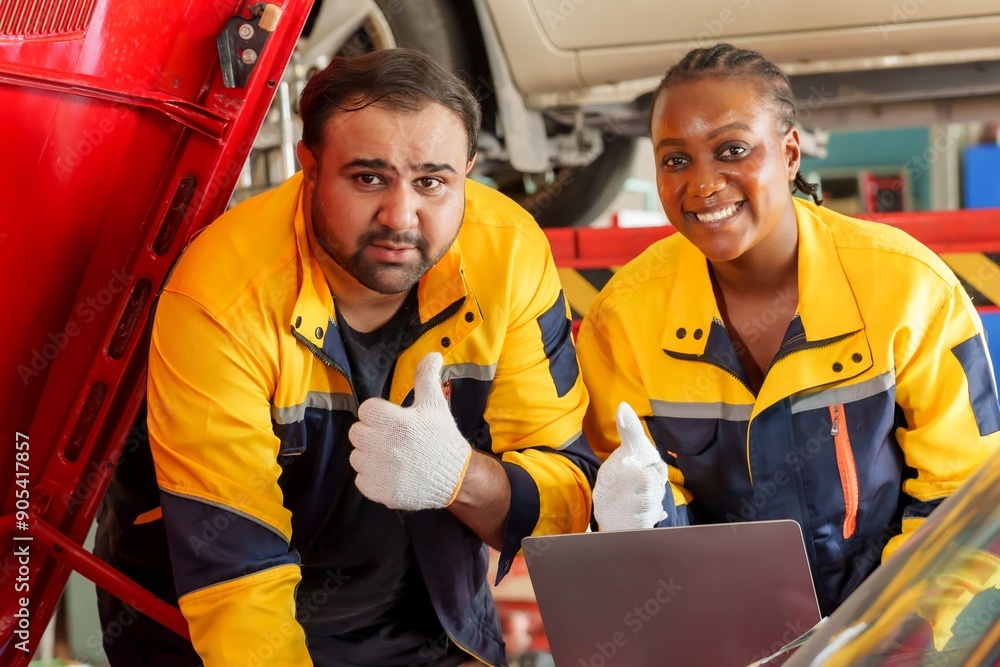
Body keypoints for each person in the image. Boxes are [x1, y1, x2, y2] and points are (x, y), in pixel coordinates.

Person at [94, 48, 598, 666]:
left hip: (427, 630)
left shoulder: (510, 257)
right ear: (310, 167)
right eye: (368, 178)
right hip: (209, 638)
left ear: (468, 171)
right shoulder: (221, 295)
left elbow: (564, 505)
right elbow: (237, 577)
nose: (400, 216)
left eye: (432, 182)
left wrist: (464, 480)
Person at [577, 42, 1000, 618]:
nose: (702, 184)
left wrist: (896, 642)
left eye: (732, 149)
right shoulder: (624, 319)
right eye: (675, 160)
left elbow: (962, 498)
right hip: (722, 629)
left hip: (893, 621)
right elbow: (647, 516)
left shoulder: (907, 286)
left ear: (791, 151)